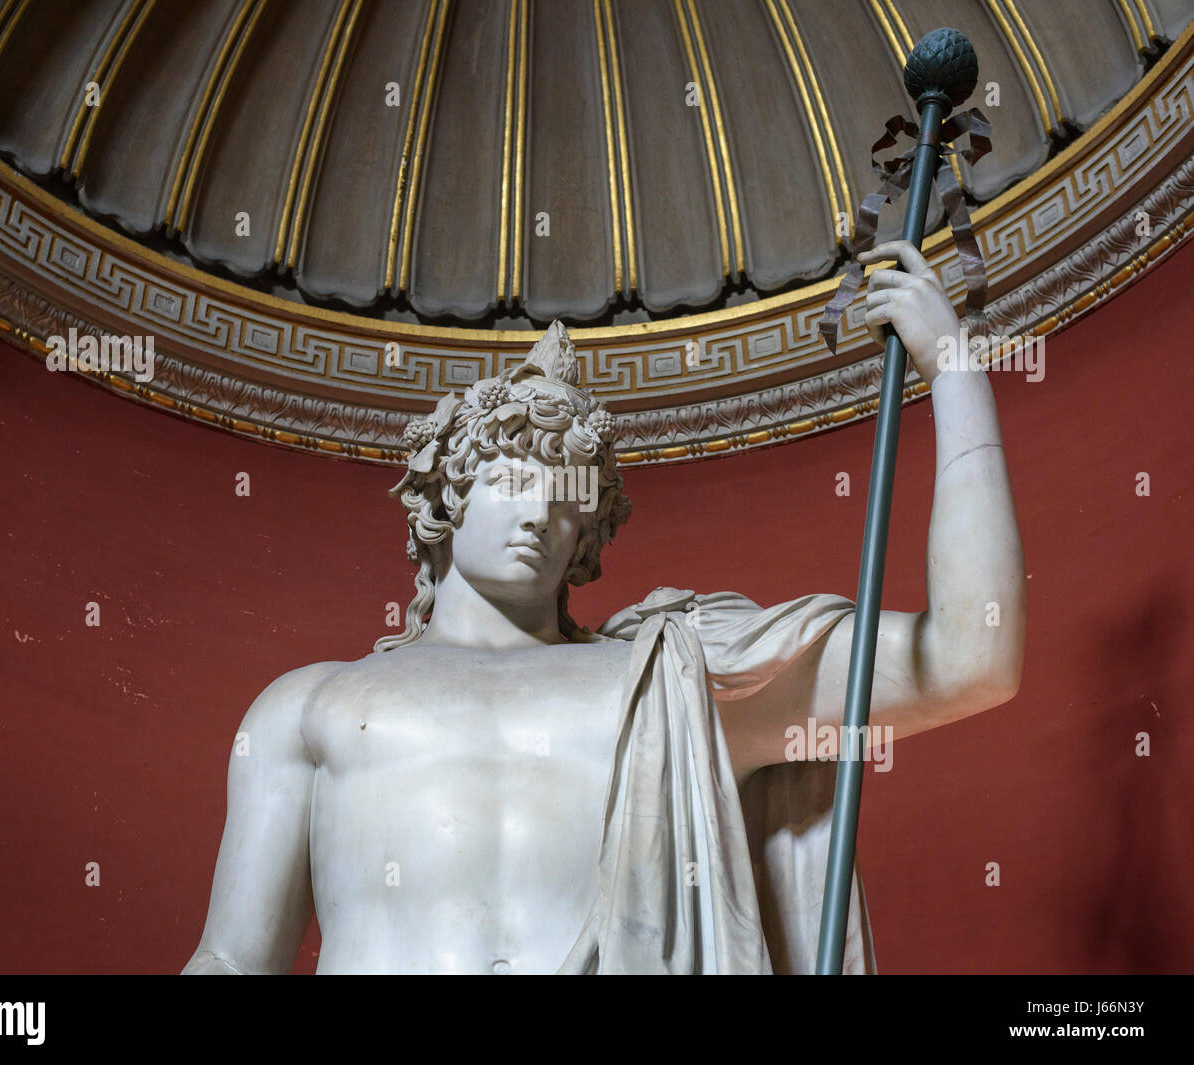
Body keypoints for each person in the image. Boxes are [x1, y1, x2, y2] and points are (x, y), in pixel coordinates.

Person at [183, 241, 1025, 974]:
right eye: (511, 480)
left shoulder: (677, 679)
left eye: (568, 499)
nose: (541, 514)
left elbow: (969, 659)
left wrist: (950, 367)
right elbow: (230, 959)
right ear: (445, 500)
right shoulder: (309, 706)